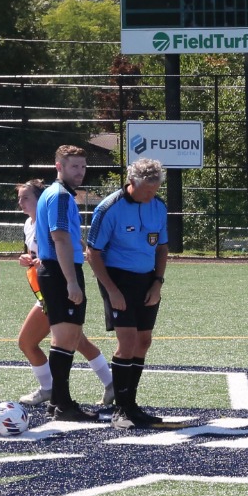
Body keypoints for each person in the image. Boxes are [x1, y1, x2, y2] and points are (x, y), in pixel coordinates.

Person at [86, 158, 172, 429]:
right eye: (147, 189)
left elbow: (161, 247)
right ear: (132, 182)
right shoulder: (109, 208)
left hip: (147, 279)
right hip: (117, 279)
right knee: (127, 341)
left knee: (143, 341)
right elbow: (93, 253)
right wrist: (112, 290)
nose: (151, 195)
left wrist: (157, 283)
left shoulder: (159, 206)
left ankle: (132, 405)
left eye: (156, 189)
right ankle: (120, 410)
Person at [14, 178, 110, 412]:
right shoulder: (28, 224)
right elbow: (35, 254)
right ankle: (111, 383)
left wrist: (57, 269)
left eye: (26, 198)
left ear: (40, 200)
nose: (21, 202)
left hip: (56, 286)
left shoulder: (50, 217)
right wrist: (29, 259)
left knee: (28, 341)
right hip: (45, 289)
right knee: (77, 340)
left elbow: (73, 243)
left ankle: (49, 388)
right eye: (19, 198)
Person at [33, 144, 103, 421]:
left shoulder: (57, 194)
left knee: (69, 337)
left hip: (58, 269)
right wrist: (71, 282)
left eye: (83, 166)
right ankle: (62, 404)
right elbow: (60, 238)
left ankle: (58, 401)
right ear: (58, 166)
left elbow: (67, 237)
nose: (80, 171)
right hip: (60, 271)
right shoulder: (60, 196)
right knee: (65, 338)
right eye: (74, 166)